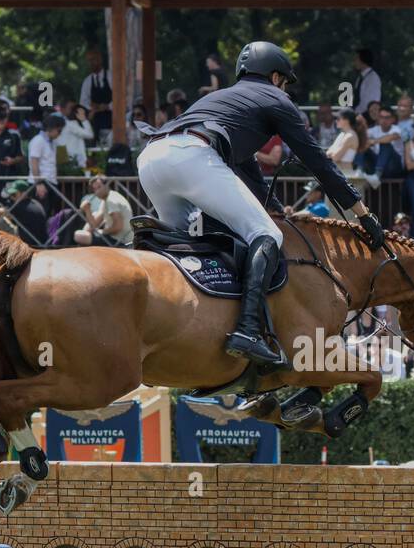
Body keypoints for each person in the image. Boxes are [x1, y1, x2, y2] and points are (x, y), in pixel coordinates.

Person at [135, 41, 385, 367]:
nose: (285, 89)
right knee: (268, 235)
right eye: (284, 81)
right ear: (276, 75)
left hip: (152, 157)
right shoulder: (276, 98)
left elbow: (248, 168)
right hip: (192, 158)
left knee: (179, 242)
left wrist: (277, 208)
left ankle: (161, 297)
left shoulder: (222, 98)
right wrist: (362, 212)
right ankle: (248, 330)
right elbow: (319, 163)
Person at [75, 175, 133, 246]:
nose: (97, 192)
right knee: (94, 216)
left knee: (79, 236)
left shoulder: (111, 200)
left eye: (99, 187)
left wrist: (102, 231)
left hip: (121, 242)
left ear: (107, 185)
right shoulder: (106, 200)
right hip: (114, 238)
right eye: (94, 189)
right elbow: (94, 225)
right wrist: (87, 210)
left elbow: (118, 226)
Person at [79, 47, 114, 139]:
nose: (91, 63)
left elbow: (119, 97)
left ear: (100, 60)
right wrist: (95, 108)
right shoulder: (87, 81)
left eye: (93, 59)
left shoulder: (111, 77)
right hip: (96, 120)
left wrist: (107, 106)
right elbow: (83, 102)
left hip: (112, 118)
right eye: (89, 61)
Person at [352, 49, 381, 116]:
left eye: (356, 59)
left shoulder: (372, 78)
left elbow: (369, 102)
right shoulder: (360, 77)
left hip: (366, 116)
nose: (354, 61)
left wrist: (354, 113)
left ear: (363, 60)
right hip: (358, 114)